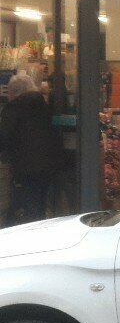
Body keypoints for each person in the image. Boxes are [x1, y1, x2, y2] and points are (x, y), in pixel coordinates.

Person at [0, 74, 64, 225]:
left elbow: (3, 137)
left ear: (15, 92)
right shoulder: (44, 106)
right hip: (49, 165)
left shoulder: (13, 108)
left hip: (25, 167)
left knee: (25, 206)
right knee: (40, 203)